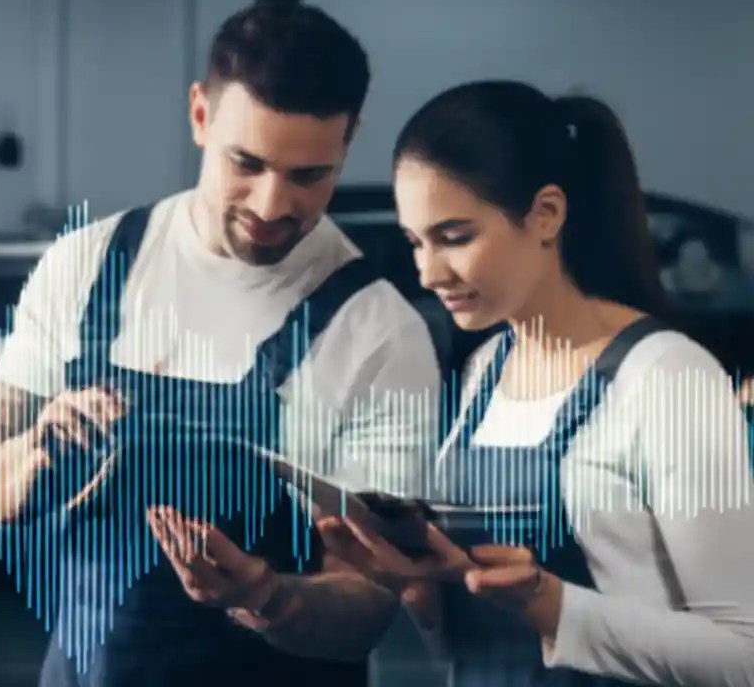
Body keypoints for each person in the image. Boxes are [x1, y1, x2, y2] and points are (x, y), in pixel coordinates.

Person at [0, 3, 443, 686]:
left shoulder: (378, 332)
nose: (272, 206)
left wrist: (265, 596)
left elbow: (368, 605)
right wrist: (37, 452)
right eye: (247, 162)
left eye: (308, 176)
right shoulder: (86, 266)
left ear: (349, 141)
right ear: (200, 116)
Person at [318, 79, 754, 686]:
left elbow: (742, 657)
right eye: (416, 242)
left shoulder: (667, 379)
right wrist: (422, 588)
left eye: (455, 237)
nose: (428, 271)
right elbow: (471, 647)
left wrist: (549, 604)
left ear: (545, 214)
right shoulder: (483, 375)